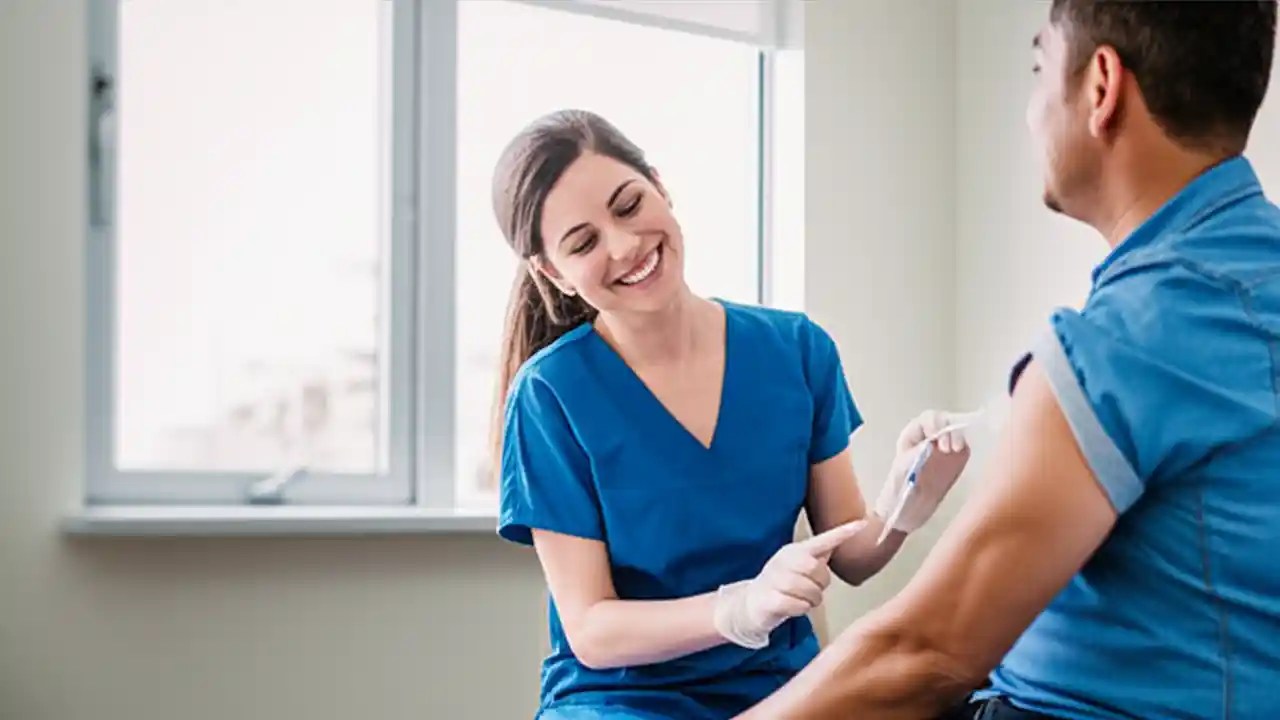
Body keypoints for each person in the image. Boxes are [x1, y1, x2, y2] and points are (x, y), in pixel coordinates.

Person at [736, 2, 1280, 719]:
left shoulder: (1124, 344)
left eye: (1037, 70)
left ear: (1101, 87)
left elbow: (922, 656)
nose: (1028, 114)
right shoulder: (1245, 282)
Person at [489, 109, 971, 719]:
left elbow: (848, 555)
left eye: (629, 205)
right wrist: (737, 607)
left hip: (782, 687)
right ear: (552, 271)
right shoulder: (550, 394)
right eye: (583, 243)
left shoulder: (797, 350)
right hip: (624, 700)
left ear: (660, 187)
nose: (624, 245)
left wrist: (908, 502)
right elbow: (591, 629)